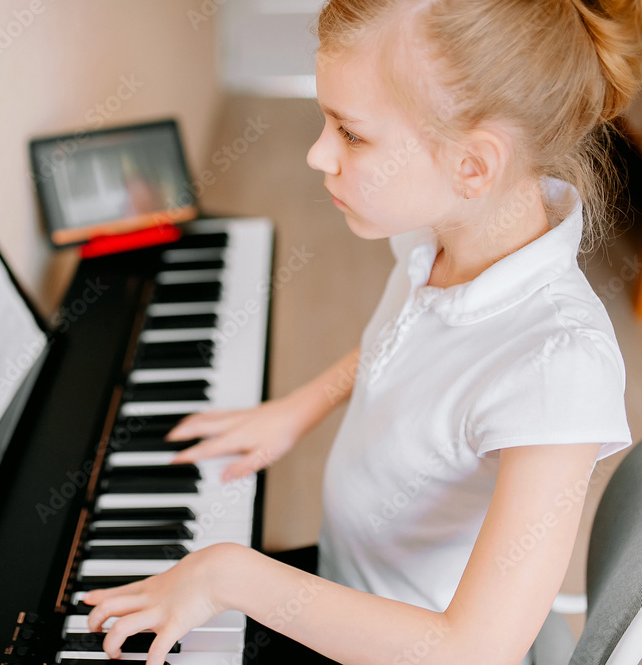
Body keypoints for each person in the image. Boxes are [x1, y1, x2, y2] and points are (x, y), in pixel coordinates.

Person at [82, 0, 642, 663]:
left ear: (473, 164)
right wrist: (301, 406)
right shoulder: (451, 225)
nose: (318, 153)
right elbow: (410, 343)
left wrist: (230, 573)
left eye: (350, 133)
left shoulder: (559, 366)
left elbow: (473, 650)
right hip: (352, 579)